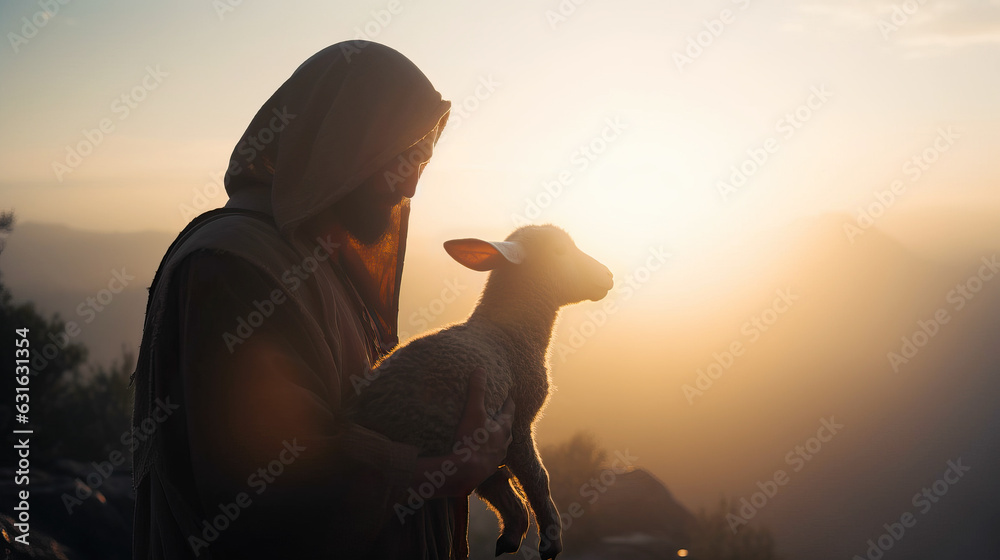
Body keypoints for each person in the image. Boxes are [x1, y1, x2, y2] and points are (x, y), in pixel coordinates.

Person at [130, 41, 513, 560]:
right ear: (342, 142)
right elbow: (270, 499)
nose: (412, 187)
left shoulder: (312, 259)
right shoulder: (234, 266)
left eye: (421, 158)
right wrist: (448, 474)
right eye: (398, 155)